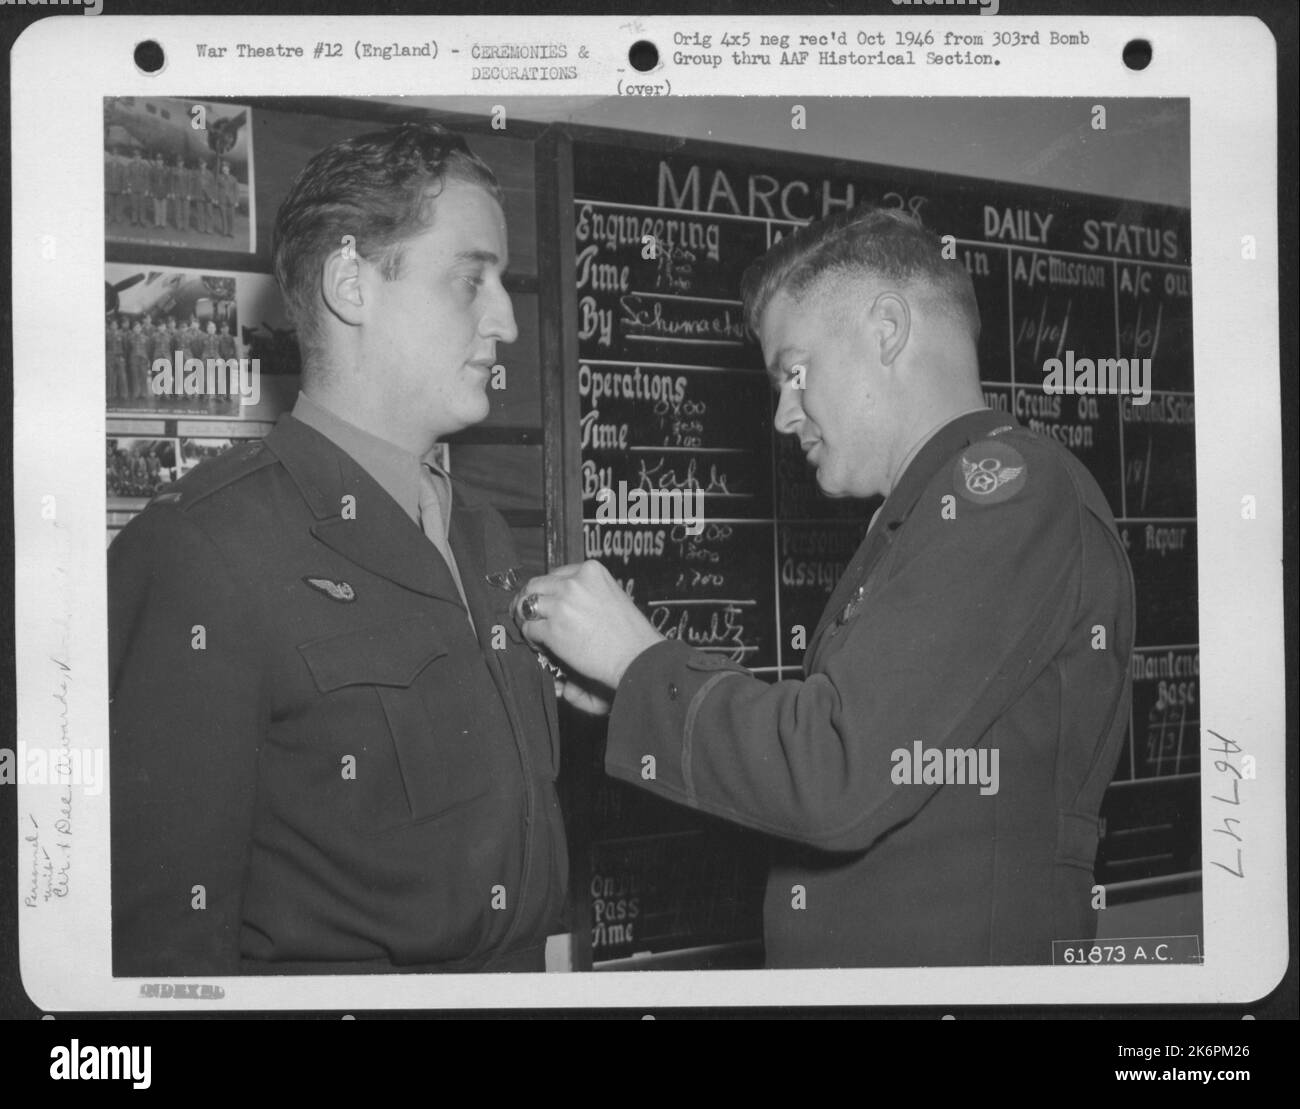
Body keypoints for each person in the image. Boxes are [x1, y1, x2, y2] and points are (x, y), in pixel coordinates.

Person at [516, 206, 1135, 968]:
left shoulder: (1006, 489)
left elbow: (835, 772)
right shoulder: (922, 519)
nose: (783, 414)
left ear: (885, 330)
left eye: (794, 373)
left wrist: (640, 661)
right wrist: (632, 694)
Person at [109, 122, 568, 976]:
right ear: (352, 284)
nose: (505, 318)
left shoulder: (482, 534)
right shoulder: (201, 548)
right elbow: (161, 951)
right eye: (472, 280)